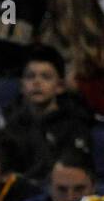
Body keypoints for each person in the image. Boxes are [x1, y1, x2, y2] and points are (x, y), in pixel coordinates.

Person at [6, 44, 93, 181]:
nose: (37, 82)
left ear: (60, 86)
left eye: (46, 77)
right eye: (30, 77)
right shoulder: (12, 124)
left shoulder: (74, 125)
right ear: (22, 86)